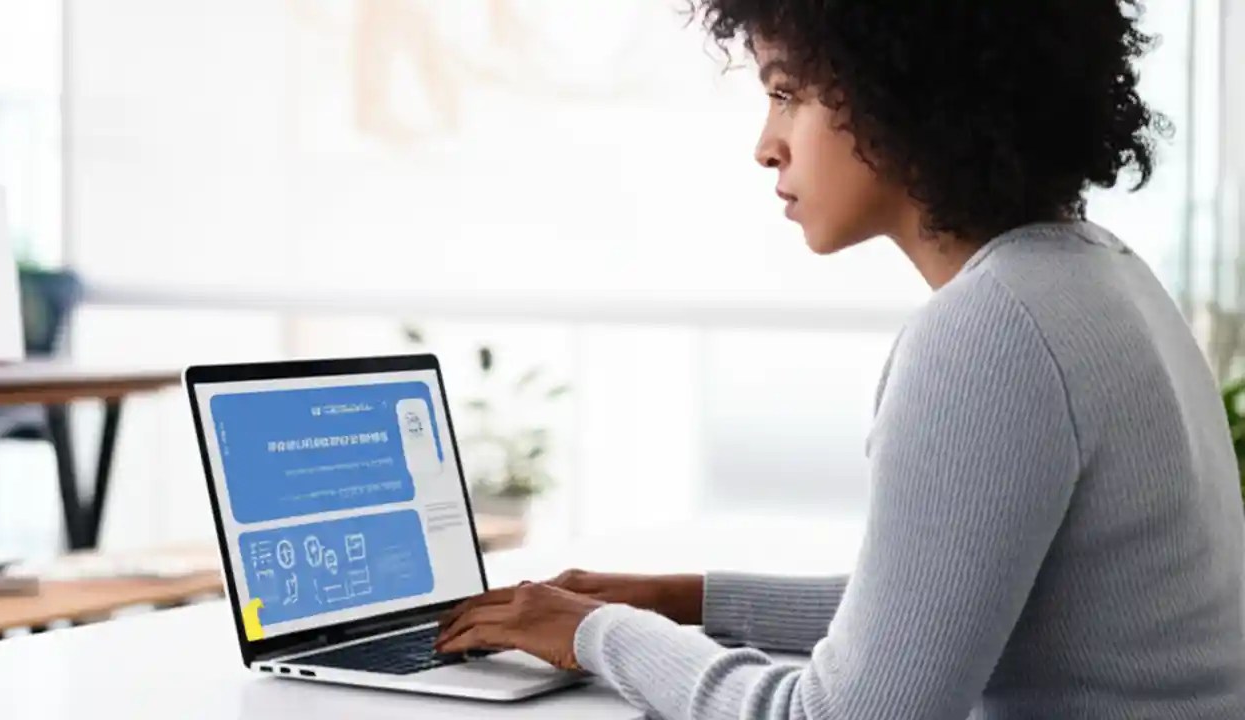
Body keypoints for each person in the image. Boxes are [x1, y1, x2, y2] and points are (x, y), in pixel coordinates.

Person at [437, 1, 1245, 717]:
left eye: (786, 93)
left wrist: (601, 634)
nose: (766, 145)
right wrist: (684, 600)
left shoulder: (994, 329)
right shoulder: (1101, 274)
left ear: (905, 89)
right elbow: (931, 616)